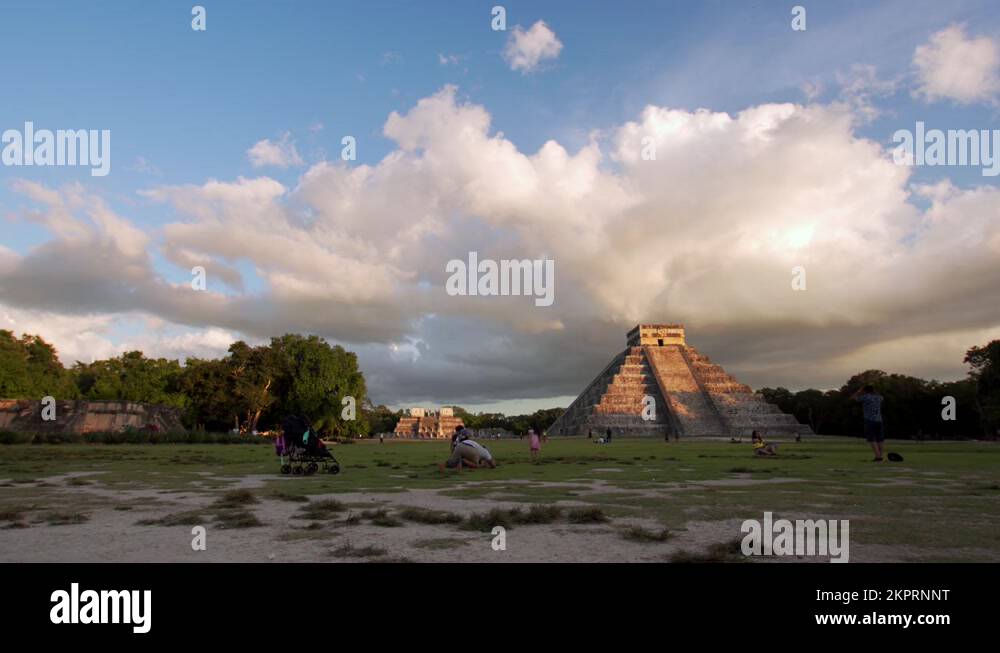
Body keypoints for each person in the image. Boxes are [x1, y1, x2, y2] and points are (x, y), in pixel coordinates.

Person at [852, 384, 885, 461]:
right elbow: (881, 397)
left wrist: (858, 391)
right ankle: (881, 456)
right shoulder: (879, 397)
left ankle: (878, 456)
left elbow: (853, 398)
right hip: (879, 420)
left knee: (872, 438)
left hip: (869, 420)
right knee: (880, 439)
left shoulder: (866, 396)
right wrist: (874, 391)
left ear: (865, 391)